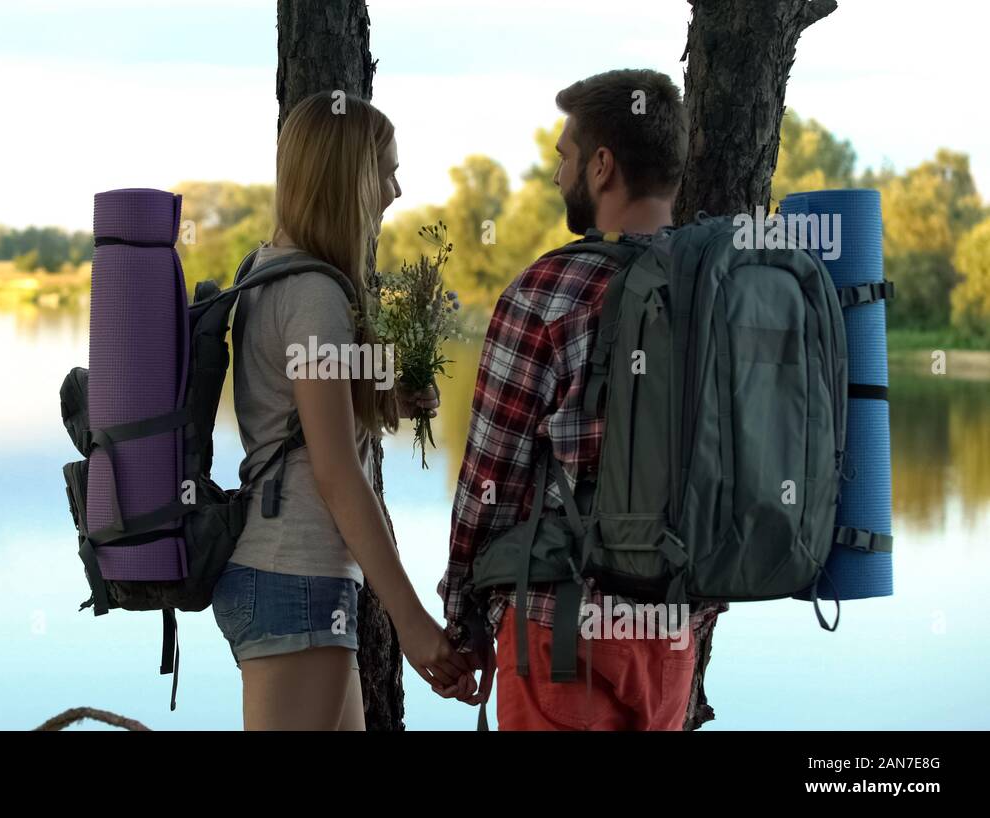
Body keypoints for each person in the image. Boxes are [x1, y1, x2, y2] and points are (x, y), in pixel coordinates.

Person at [439, 69, 726, 730]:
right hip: (671, 634)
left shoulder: (549, 289)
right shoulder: (716, 288)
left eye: (564, 156)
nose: (556, 174)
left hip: (559, 633)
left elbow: (490, 479)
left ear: (601, 166)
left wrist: (462, 618)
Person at [212, 90, 471, 730]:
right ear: (350, 177)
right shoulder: (315, 296)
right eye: (386, 170)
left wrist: (383, 395)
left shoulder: (269, 271)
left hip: (291, 579)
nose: (397, 189)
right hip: (295, 578)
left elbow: (294, 407)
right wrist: (412, 625)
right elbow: (335, 472)